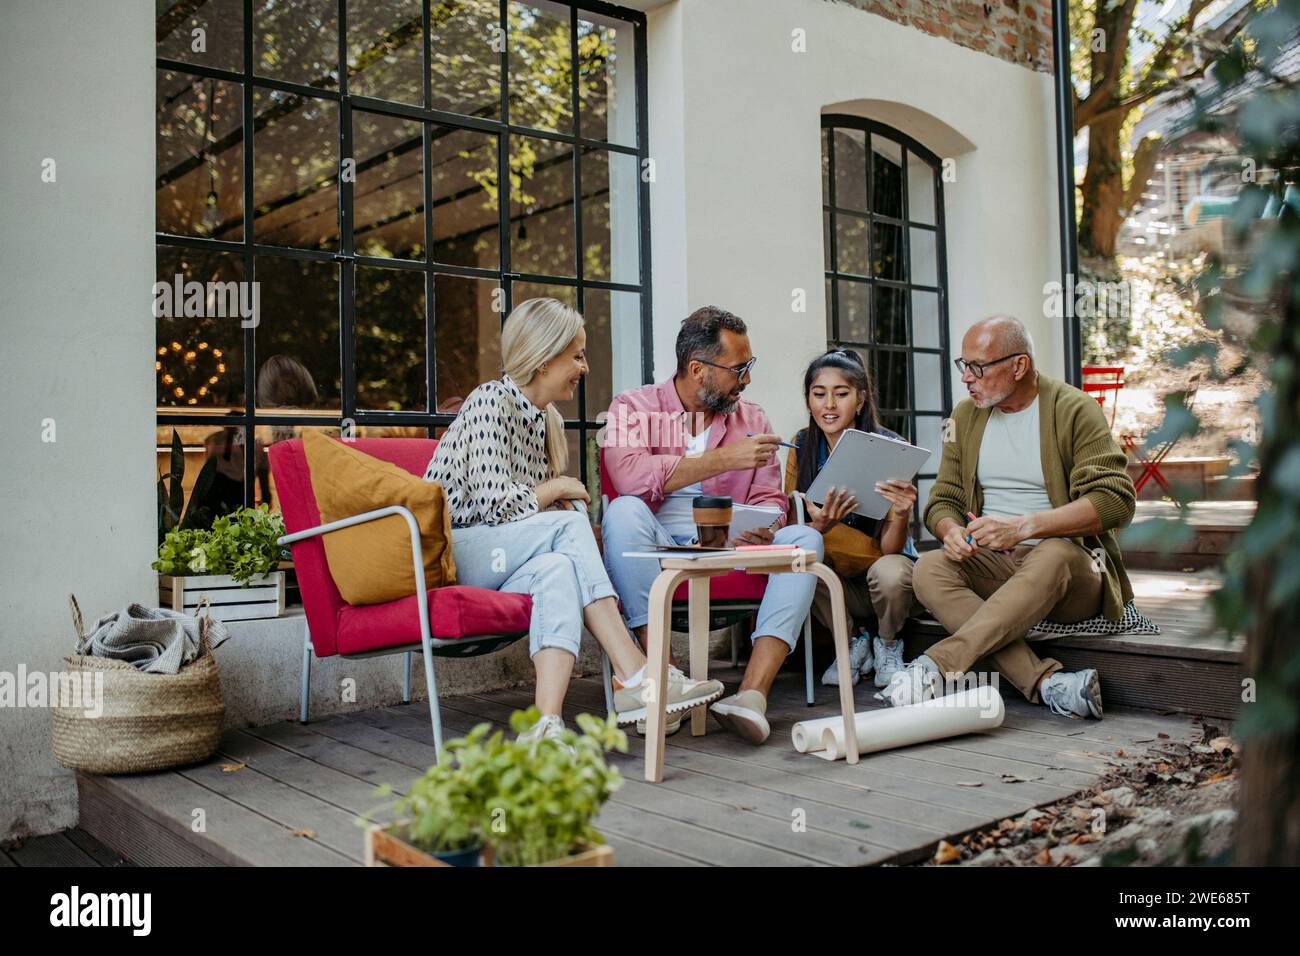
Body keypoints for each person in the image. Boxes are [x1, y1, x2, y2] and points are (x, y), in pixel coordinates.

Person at [423, 298, 724, 744]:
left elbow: (527, 516)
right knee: (567, 525)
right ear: (544, 360)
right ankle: (635, 671)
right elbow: (496, 507)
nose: (584, 367)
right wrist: (558, 490)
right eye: (577, 355)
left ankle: (545, 724)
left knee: (558, 569)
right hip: (452, 551)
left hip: (502, 554)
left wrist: (558, 502)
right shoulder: (490, 401)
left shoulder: (547, 420)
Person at [887, 315, 1137, 719]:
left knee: (1052, 553)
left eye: (978, 367)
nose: (966, 378)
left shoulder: (1074, 409)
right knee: (930, 567)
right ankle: (1047, 683)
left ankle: (938, 665)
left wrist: (1024, 526)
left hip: (1070, 573)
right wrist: (950, 531)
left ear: (1019, 366)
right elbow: (942, 500)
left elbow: (1115, 500)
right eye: (962, 366)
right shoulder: (965, 418)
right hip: (998, 567)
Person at [600, 306, 824, 745]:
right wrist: (721, 460)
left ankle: (751, 695)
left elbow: (769, 498)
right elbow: (628, 478)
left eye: (749, 367)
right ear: (698, 369)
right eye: (739, 369)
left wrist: (767, 524)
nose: (747, 379)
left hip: (729, 545)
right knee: (622, 512)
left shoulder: (752, 418)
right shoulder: (632, 407)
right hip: (659, 546)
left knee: (805, 537)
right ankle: (658, 684)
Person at [783, 348, 925, 689]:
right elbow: (791, 532)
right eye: (819, 394)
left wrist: (903, 511)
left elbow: (891, 551)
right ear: (808, 401)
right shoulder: (800, 447)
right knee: (798, 559)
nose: (829, 405)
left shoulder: (892, 447)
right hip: (835, 583)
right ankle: (849, 646)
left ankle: (888, 644)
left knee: (888, 572)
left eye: (841, 394)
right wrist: (819, 526)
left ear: (860, 400)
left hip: (884, 577)